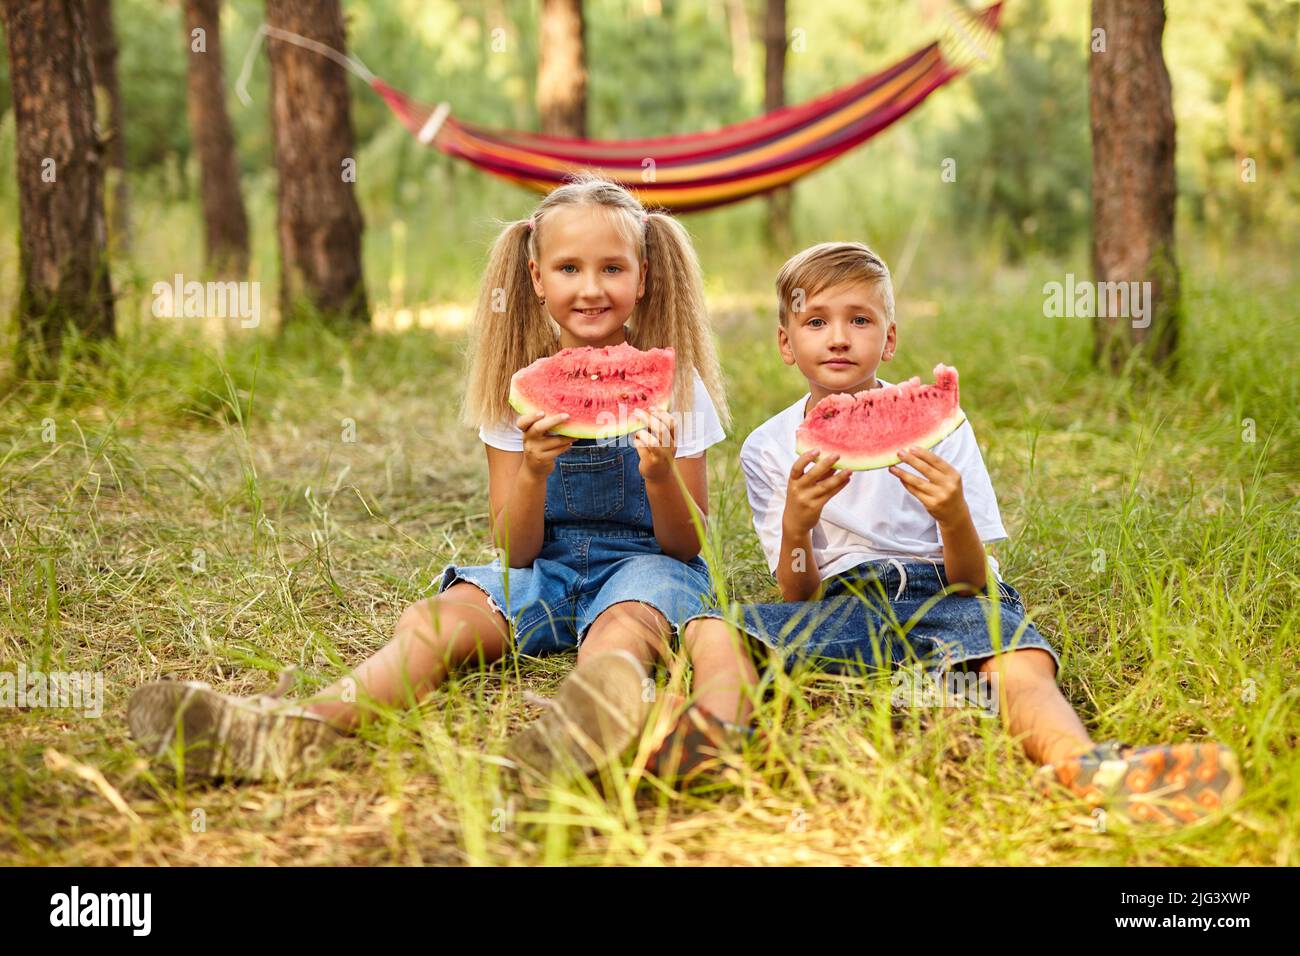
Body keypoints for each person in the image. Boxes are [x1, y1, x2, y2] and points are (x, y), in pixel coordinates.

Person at [127, 174, 758, 785]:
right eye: (569, 268)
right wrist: (534, 470)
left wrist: (659, 475)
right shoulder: (515, 386)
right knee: (435, 624)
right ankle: (293, 727)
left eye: (612, 268)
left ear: (643, 276)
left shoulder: (676, 386)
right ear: (536, 279)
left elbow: (687, 544)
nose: (590, 288)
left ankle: (591, 726)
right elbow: (515, 550)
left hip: (646, 568)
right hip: (547, 571)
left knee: (620, 631)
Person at [678, 241, 1244, 826]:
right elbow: (797, 593)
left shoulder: (942, 426)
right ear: (785, 343)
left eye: (860, 320)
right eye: (816, 321)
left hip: (951, 595)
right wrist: (798, 522)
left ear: (890, 339)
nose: (839, 337)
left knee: (1019, 663)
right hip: (848, 606)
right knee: (712, 627)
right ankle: (711, 737)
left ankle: (1084, 766)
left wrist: (952, 515)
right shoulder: (769, 448)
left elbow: (973, 578)